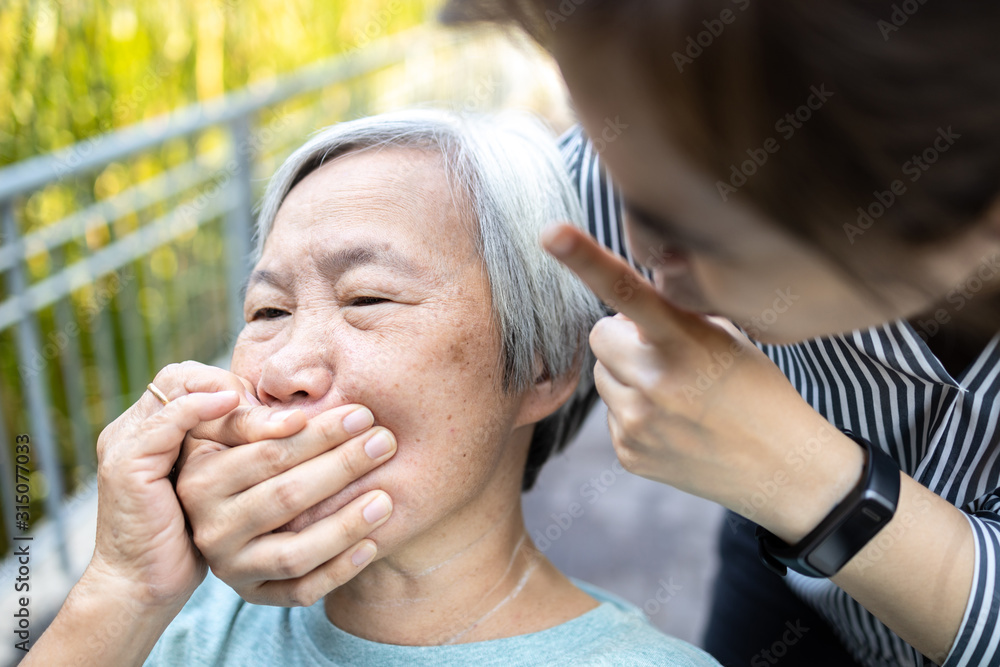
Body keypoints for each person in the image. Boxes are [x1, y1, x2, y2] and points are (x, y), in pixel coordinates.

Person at [25, 109, 719, 666]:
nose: (282, 369)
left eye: (367, 298)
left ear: (541, 365)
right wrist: (124, 585)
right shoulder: (166, 626)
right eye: (268, 311)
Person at [441, 2, 1000, 666]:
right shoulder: (683, 122)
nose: (636, 248)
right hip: (790, 577)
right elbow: (483, 264)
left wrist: (796, 473)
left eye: (686, 234)